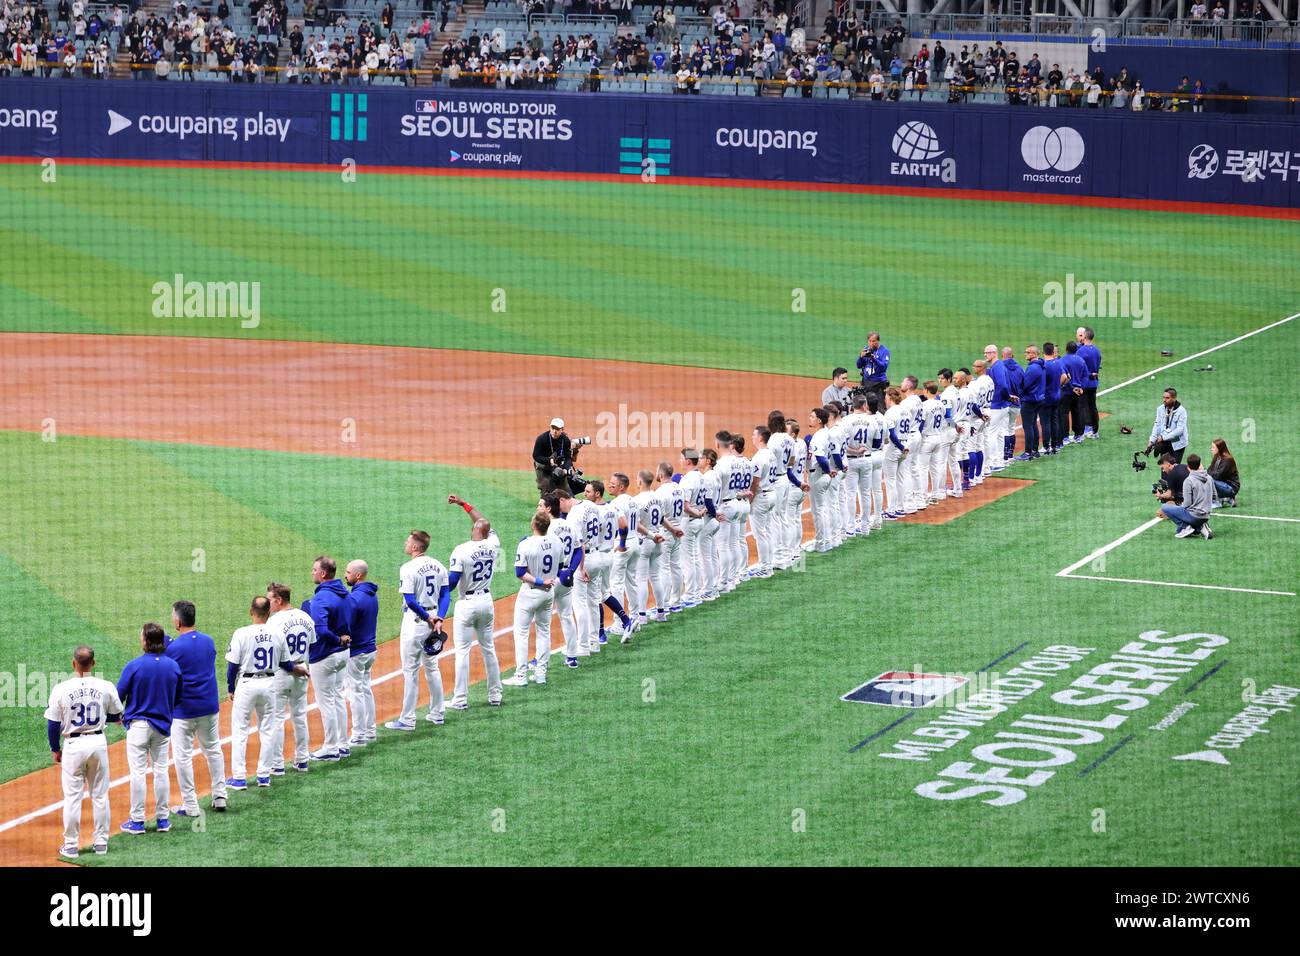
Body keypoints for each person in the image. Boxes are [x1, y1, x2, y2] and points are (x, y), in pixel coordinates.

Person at [46, 645, 124, 858]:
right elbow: (117, 716)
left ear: (74, 663)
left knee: (72, 797)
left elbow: (53, 724)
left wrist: (55, 749)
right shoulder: (105, 685)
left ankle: (70, 846)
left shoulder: (61, 689)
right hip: (98, 743)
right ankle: (100, 843)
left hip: (73, 746)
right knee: (100, 795)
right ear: (94, 663)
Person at [117, 623, 184, 834]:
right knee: (161, 771)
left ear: (146, 641)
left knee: (138, 772)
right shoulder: (173, 666)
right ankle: (163, 820)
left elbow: (118, 696)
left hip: (138, 727)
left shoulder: (134, 665)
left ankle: (137, 821)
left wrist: (120, 715)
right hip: (163, 727)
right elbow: (178, 697)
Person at [165, 600, 228, 820]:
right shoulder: (208, 641)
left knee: (182, 756)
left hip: (184, 710)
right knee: (213, 749)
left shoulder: (173, 648)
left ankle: (190, 805)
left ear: (179, 620)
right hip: (209, 706)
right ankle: (220, 795)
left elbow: (170, 671)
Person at [446, 494, 504, 708]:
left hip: (467, 603)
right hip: (487, 601)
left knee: (462, 651)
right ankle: (495, 695)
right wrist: (465, 505)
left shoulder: (461, 550)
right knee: (488, 648)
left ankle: (460, 699)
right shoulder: (493, 544)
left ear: (473, 531)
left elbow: (452, 583)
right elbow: (484, 522)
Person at [387, 532, 449, 729]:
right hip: (432, 622)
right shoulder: (439, 565)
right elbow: (446, 595)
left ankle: (407, 719)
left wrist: (428, 617)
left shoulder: (408, 568)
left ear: (415, 547)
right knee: (432, 667)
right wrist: (439, 617)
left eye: (408, 541)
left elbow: (411, 601)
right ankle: (438, 713)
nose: (406, 543)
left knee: (411, 670)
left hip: (416, 623)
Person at [224, 596, 285, 790]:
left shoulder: (241, 633)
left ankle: (240, 778)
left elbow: (232, 666)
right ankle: (264, 776)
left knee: (240, 730)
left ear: (251, 611)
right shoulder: (277, 632)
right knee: (268, 730)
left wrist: (231, 688)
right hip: (269, 684)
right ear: (269, 613)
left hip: (247, 684)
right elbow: (284, 662)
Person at [266, 583, 315, 774]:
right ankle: (302, 760)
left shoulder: (274, 621)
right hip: (302, 668)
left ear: (278, 600)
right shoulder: (305, 617)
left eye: (269, 599)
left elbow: (273, 653)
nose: (268, 604)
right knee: (300, 716)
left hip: (282, 672)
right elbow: (312, 644)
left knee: (276, 719)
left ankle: (277, 765)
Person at [507, 511, 558, 686]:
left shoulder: (526, 544)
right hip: (548, 592)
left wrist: (539, 580)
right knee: (544, 631)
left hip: (530, 592)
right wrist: (546, 580)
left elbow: (520, 573)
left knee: (521, 633)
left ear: (534, 524)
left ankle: (520, 676)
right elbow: (559, 565)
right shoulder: (557, 541)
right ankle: (541, 674)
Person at [306, 556, 351, 757]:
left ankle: (331, 748)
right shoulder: (345, 593)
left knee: (326, 703)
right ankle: (343, 743)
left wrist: (336, 640)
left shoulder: (321, 598)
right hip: (344, 655)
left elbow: (321, 630)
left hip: (326, 655)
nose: (312, 572)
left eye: (315, 569)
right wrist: (343, 640)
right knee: (338, 698)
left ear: (323, 574)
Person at [343, 560, 379, 747]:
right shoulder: (371, 594)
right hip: (370, 649)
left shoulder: (356, 598)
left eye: (348, 572)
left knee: (355, 692)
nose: (345, 575)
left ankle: (358, 734)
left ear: (358, 575)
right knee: (365, 690)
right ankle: (370, 731)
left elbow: (348, 625)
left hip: (357, 652)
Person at [1158, 454, 1214, 539]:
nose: (1163, 470)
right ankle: (1201, 527)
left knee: (1165, 507)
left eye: (1163, 468)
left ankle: (1187, 527)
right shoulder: (1209, 478)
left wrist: (1178, 507)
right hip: (1207, 515)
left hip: (1194, 515)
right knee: (1179, 529)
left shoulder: (1188, 480)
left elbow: (1187, 503)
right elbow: (1214, 496)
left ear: (1188, 467)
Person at [1014, 345, 1045, 461]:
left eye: (1027, 352)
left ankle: (1028, 453)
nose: (1025, 354)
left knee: (1028, 427)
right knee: (1033, 425)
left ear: (1034, 354)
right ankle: (1035, 450)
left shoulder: (1033, 368)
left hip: (1030, 400)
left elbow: (1025, 385)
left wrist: (1019, 395)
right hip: (1038, 399)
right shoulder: (1040, 366)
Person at [1146, 387, 1188, 463]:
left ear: (1174, 398)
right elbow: (1157, 425)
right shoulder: (1160, 409)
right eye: (1163, 397)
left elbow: (1180, 430)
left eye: (1167, 398)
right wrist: (1151, 441)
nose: (1164, 400)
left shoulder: (1181, 411)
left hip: (1177, 444)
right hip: (1164, 443)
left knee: (1174, 469)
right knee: (1164, 467)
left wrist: (1163, 437)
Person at [1059, 341, 1089, 445]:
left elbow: (1065, 377)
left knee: (1064, 413)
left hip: (1067, 391)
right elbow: (1086, 376)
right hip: (1079, 392)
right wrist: (1081, 388)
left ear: (1066, 349)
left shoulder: (1062, 360)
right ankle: (1078, 435)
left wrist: (1072, 388)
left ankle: (1065, 437)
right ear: (1076, 349)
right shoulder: (1081, 360)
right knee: (1077, 412)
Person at [533, 417, 574, 494]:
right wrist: (549, 461)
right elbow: (536, 455)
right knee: (545, 484)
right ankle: (545, 503)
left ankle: (568, 501)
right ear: (550, 427)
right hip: (542, 465)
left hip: (556, 465)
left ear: (562, 429)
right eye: (552, 428)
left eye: (557, 429)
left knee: (564, 487)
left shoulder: (565, 440)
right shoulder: (542, 439)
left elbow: (568, 457)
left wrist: (566, 468)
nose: (554, 431)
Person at [1077, 326, 1102, 438]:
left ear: (1085, 336)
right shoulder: (1097, 350)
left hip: (1084, 383)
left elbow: (1077, 366)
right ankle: (1095, 432)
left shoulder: (1081, 351)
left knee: (1081, 408)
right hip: (1094, 383)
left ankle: (1081, 433)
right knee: (1093, 407)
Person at [856, 332, 891, 411]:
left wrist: (874, 359)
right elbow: (858, 365)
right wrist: (861, 357)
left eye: (873, 341)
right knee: (863, 405)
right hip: (866, 382)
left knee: (880, 407)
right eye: (870, 341)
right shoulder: (866, 349)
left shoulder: (884, 351)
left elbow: (883, 367)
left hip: (878, 383)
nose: (871, 343)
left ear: (878, 341)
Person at [1041, 342, 1063, 454]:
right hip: (1057, 396)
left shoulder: (1045, 366)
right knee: (1054, 421)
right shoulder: (1058, 362)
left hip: (1046, 398)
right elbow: (1064, 377)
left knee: (1045, 423)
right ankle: (1055, 445)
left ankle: (1046, 447)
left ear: (1044, 351)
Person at [1208, 438, 1240, 507]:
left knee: (1209, 480)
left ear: (1219, 448)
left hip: (1231, 488)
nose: (1211, 449)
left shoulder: (1227, 460)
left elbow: (1217, 476)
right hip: (1223, 485)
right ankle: (1227, 499)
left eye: (1213, 447)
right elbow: (1209, 471)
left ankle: (1217, 502)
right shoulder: (1217, 457)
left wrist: (1206, 475)